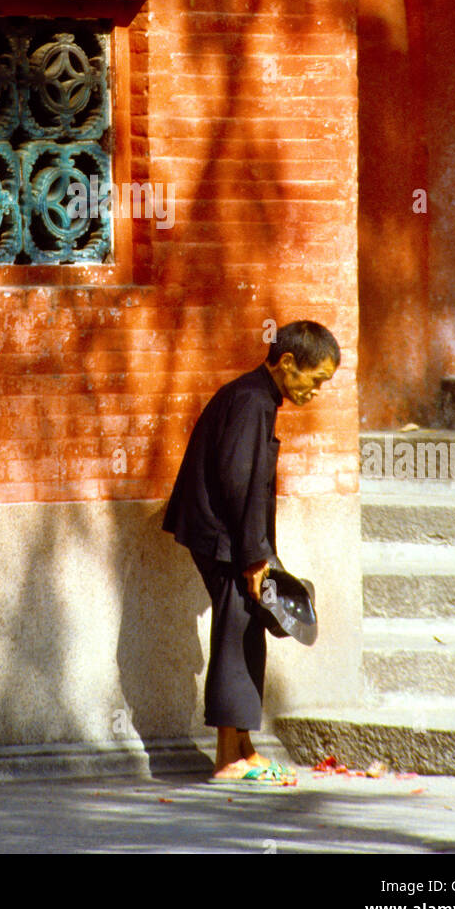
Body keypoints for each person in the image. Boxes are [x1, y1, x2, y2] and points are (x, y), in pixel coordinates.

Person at [163, 320, 340, 781]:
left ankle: (242, 746)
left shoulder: (258, 398)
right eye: (315, 379)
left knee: (244, 626)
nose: (316, 391)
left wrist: (257, 553)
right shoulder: (250, 402)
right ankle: (228, 755)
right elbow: (240, 483)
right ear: (287, 364)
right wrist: (254, 558)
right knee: (236, 629)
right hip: (221, 536)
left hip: (229, 537)